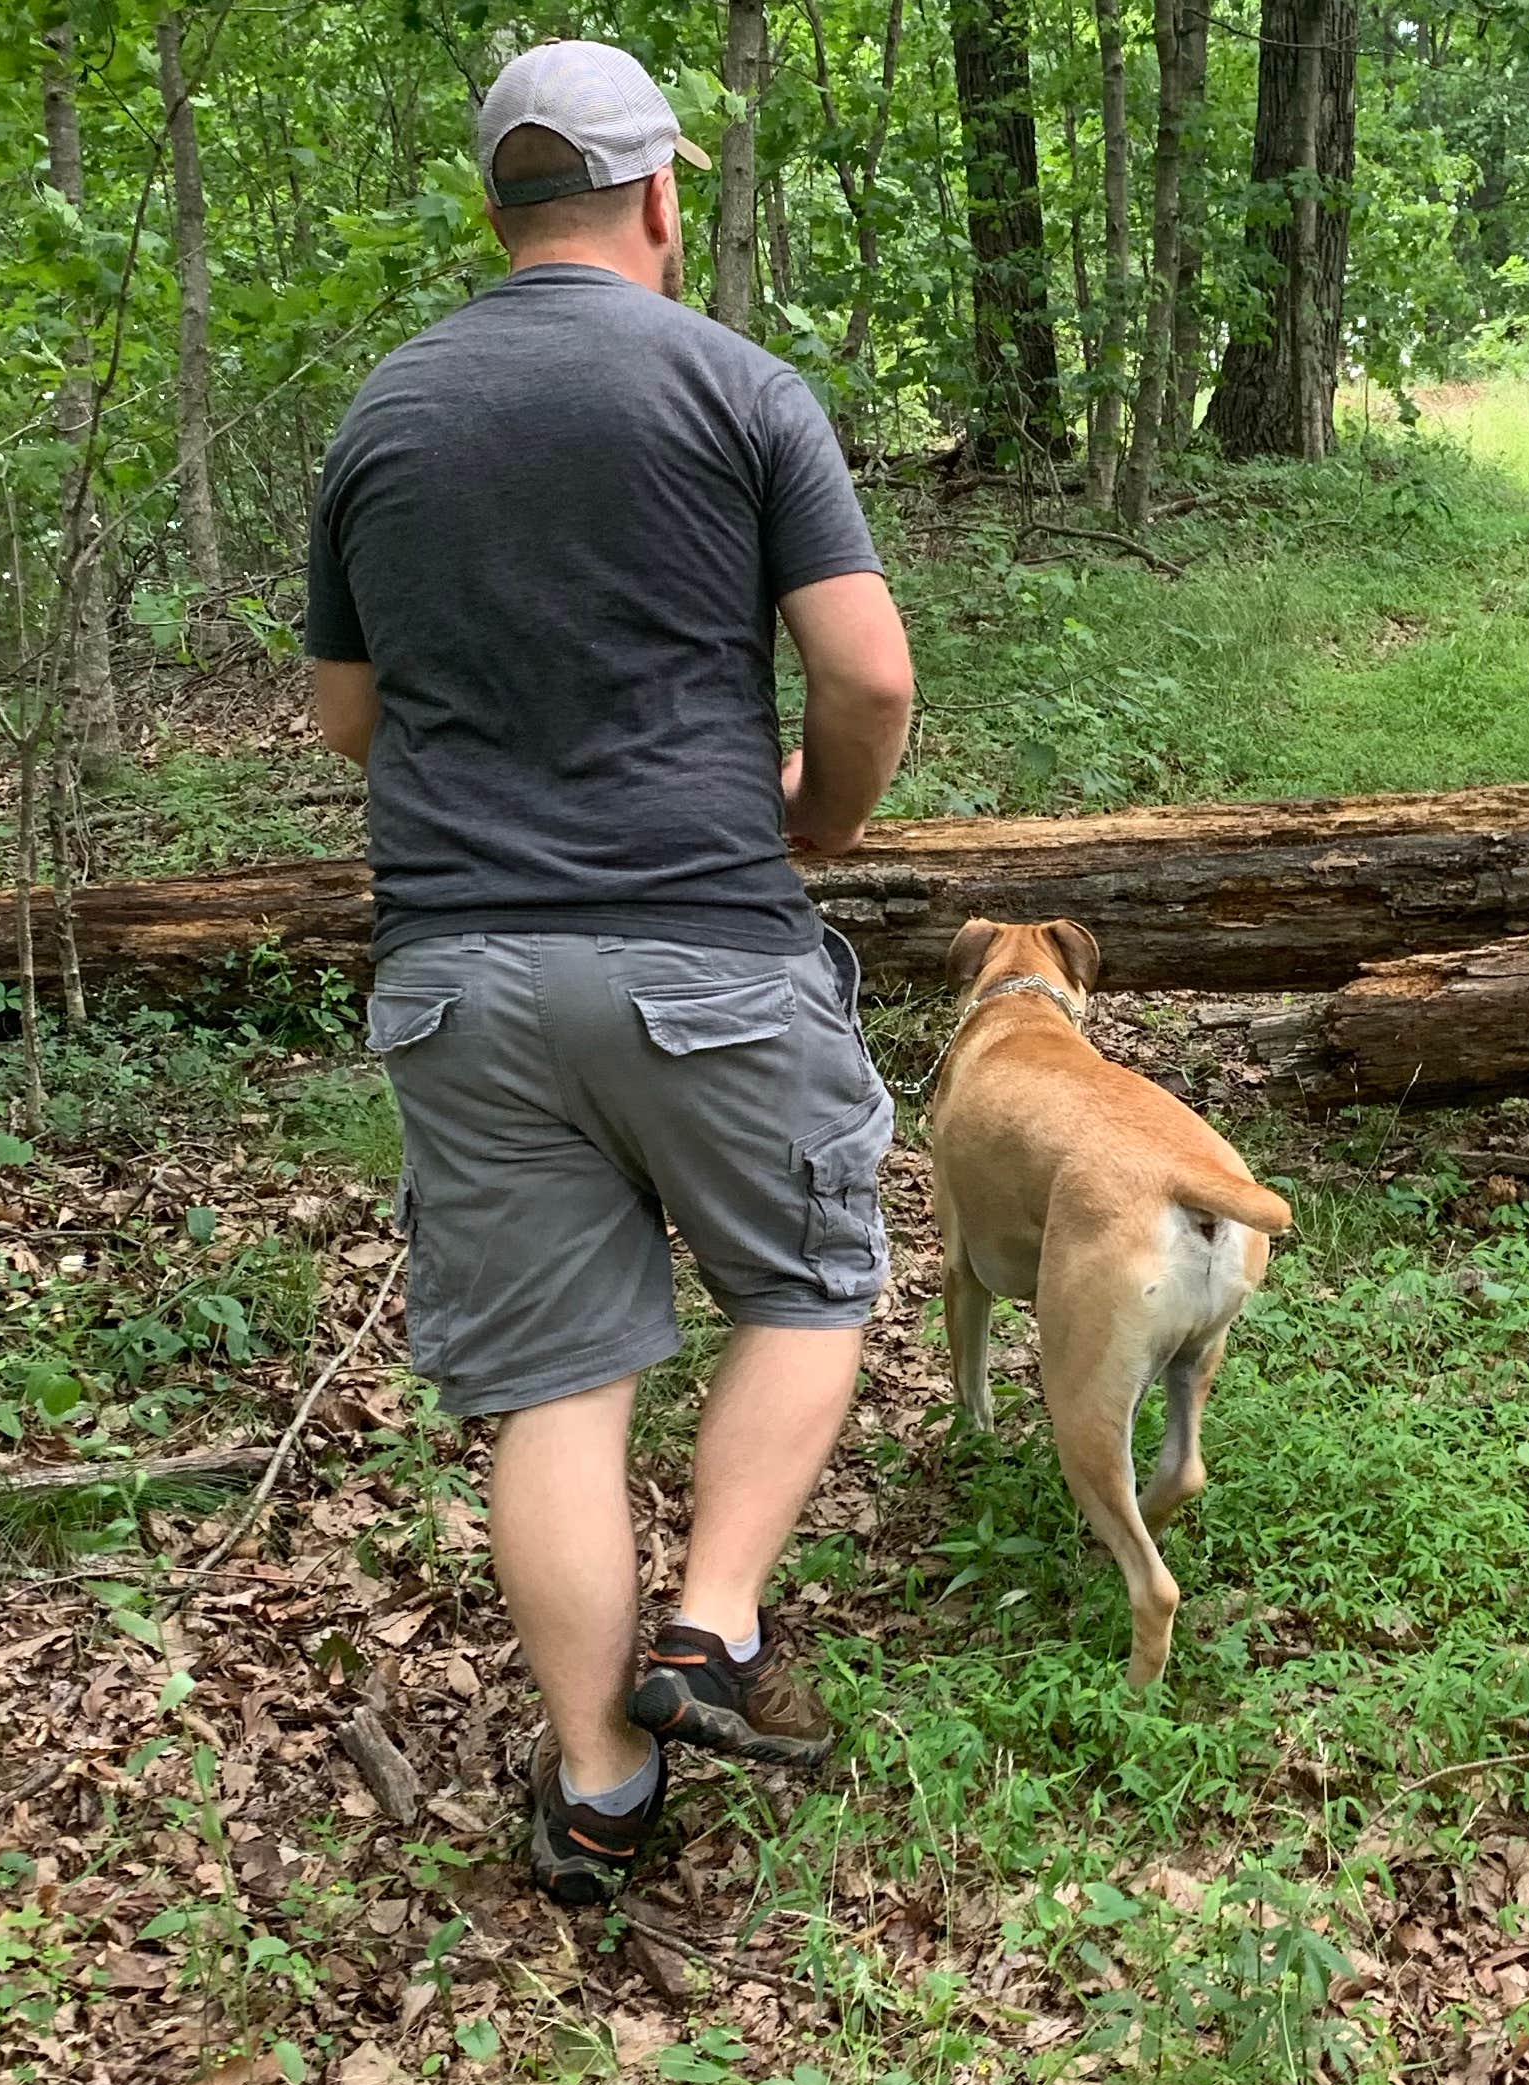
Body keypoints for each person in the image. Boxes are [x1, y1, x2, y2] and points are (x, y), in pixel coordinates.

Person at [303, 37, 915, 1908]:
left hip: (458, 974)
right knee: (808, 1278)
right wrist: (820, 817)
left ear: (498, 205)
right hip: (705, 945)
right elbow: (867, 674)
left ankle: (597, 1789)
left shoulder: (387, 416)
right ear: (660, 196)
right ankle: (710, 1623)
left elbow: (349, 718)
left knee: (557, 1387)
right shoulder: (737, 388)